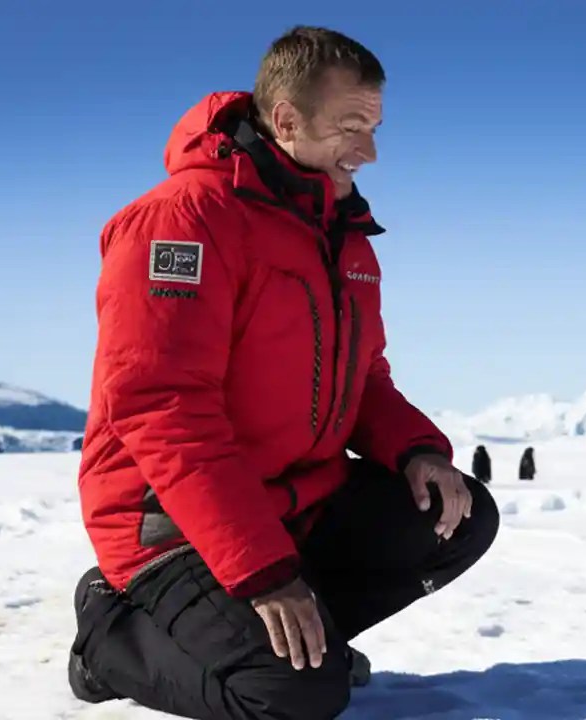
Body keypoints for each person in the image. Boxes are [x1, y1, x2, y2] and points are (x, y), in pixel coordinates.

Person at [67, 26, 499, 719]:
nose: (370, 151)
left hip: (294, 501)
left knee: (457, 517)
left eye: (376, 127)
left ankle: (301, 633)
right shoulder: (182, 222)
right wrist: (262, 572)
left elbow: (364, 380)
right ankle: (107, 637)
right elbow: (162, 407)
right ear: (288, 120)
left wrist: (417, 450)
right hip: (172, 522)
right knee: (292, 695)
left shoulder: (341, 233)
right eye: (352, 127)